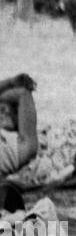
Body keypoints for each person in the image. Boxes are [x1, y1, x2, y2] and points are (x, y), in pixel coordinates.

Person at [0, 72, 37, 205]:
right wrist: (11, 81)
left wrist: (10, 86)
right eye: (1, 109)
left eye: (13, 109)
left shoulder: (20, 146)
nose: (5, 112)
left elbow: (23, 94)